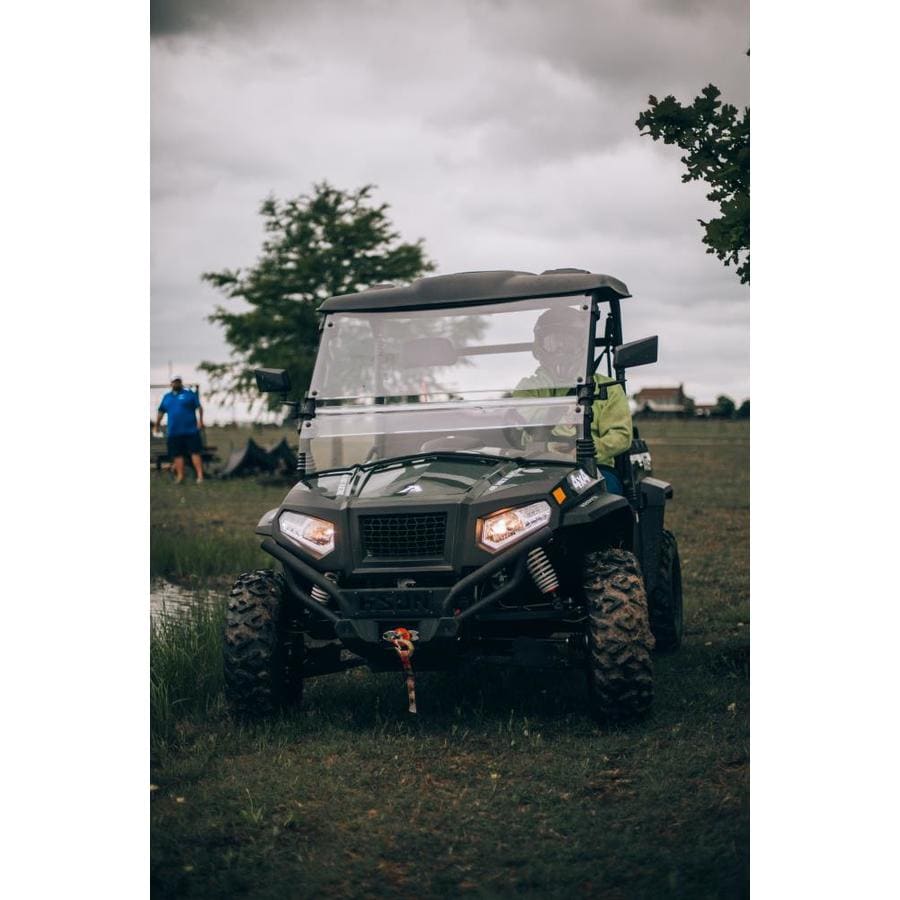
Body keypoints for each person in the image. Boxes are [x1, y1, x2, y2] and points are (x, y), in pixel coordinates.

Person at [513, 306, 632, 493]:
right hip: (539, 466)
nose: (560, 349)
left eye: (568, 341)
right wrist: (548, 449)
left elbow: (621, 436)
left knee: (597, 497)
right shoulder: (528, 388)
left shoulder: (607, 387)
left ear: (582, 345)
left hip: (593, 467)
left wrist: (584, 452)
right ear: (540, 348)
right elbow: (524, 423)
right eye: (553, 342)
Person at [155, 376, 205, 484]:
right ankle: (180, 476)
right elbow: (161, 411)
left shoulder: (189, 395)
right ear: (171, 383)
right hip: (174, 432)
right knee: (177, 454)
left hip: (191, 431)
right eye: (174, 382)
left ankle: (200, 476)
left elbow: (199, 408)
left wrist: (200, 421)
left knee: (195, 453)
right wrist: (156, 425)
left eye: (178, 382)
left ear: (181, 383)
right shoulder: (167, 397)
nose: (176, 383)